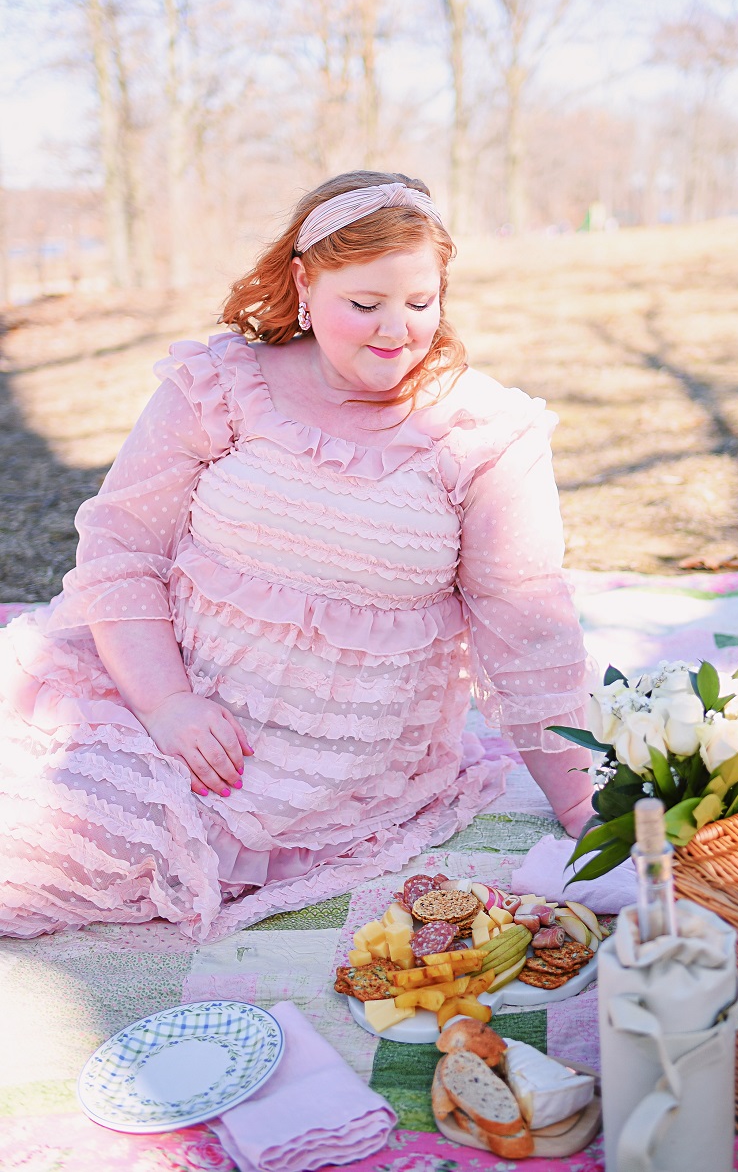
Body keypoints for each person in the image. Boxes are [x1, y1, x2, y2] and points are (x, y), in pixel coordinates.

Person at [0, 171, 595, 941]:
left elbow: (527, 624)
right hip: (153, 695)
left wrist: (583, 804)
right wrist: (165, 703)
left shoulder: (484, 436)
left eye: (420, 303)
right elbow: (120, 547)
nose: (395, 332)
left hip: (325, 768)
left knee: (41, 851)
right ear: (304, 283)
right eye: (365, 304)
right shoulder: (221, 386)